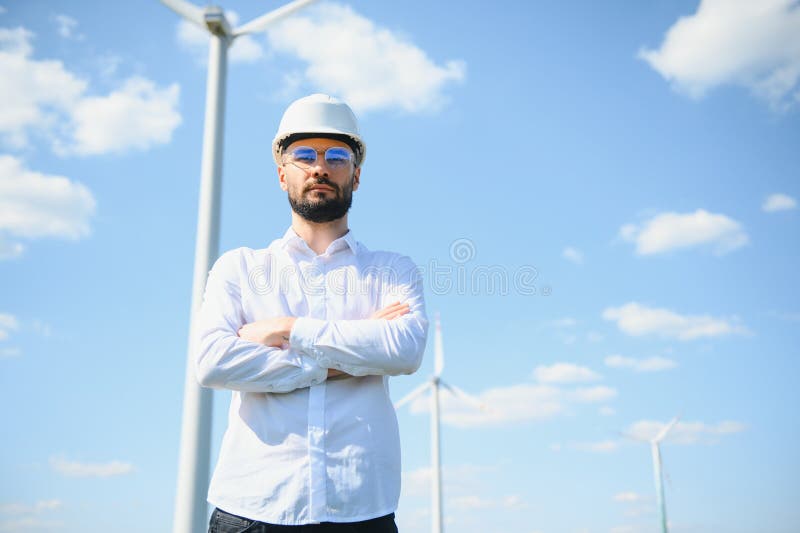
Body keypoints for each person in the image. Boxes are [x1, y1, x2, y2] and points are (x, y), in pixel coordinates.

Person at [195, 93, 429, 533]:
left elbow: (403, 350)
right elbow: (213, 362)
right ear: (282, 174)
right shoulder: (238, 268)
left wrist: (287, 329)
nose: (320, 167)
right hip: (252, 509)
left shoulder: (393, 271)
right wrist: (350, 352)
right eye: (304, 155)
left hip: (361, 510)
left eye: (336, 156)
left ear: (356, 175)